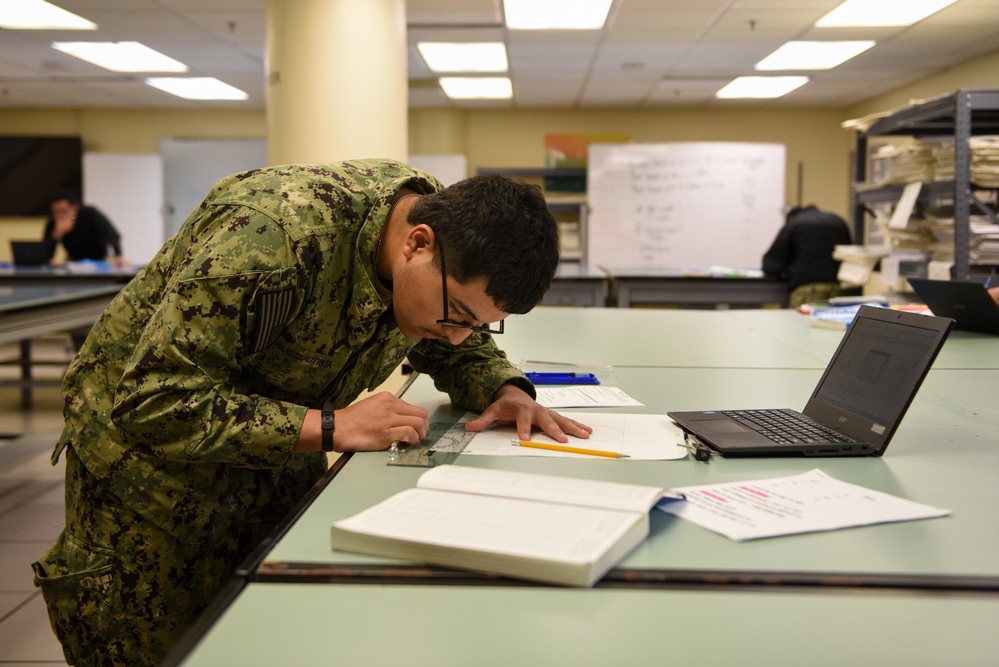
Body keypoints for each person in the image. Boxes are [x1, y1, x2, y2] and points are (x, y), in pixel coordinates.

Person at [32, 159, 592, 667]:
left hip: (268, 461)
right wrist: (333, 426)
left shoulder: (445, 240)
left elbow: (455, 340)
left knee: (265, 640)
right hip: (144, 481)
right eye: (456, 315)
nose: (458, 335)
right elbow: (153, 397)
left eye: (479, 322)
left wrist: (505, 387)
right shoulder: (272, 236)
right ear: (417, 243)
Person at [762, 205, 853, 308]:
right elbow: (850, 254)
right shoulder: (838, 221)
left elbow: (772, 265)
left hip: (806, 291)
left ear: (791, 216)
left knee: (802, 323)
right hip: (840, 290)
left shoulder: (795, 224)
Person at [43, 190, 125, 267]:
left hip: (99, 261)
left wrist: (118, 255)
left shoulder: (89, 213)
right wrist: (57, 234)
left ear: (74, 207)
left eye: (64, 210)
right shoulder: (54, 222)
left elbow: (112, 233)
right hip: (74, 262)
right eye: (56, 212)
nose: (60, 215)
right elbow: (44, 254)